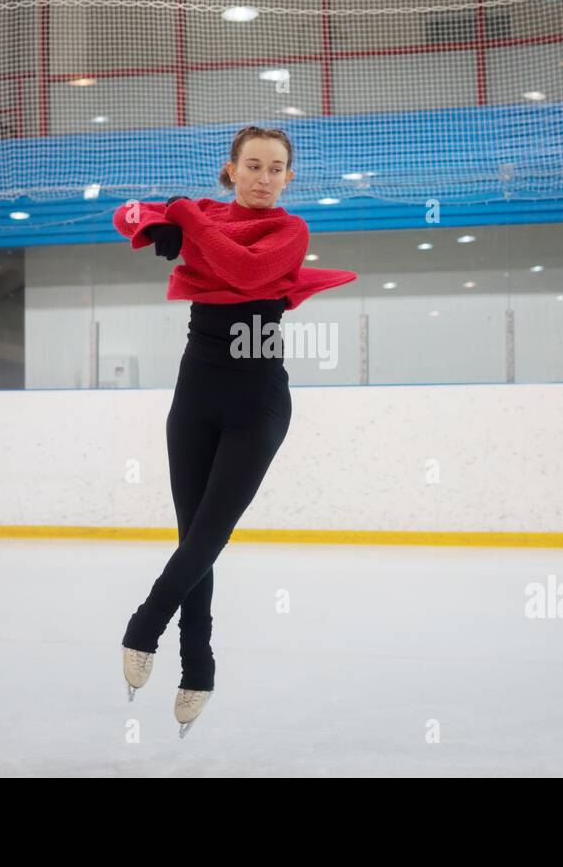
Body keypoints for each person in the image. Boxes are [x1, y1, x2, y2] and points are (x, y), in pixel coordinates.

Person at [111, 125, 357, 736]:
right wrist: (170, 218)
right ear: (232, 168)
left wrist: (186, 222)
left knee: (210, 535)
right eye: (253, 165)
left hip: (258, 398)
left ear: (289, 177)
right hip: (195, 392)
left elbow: (247, 275)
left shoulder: (289, 230)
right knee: (192, 533)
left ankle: (145, 626)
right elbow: (126, 215)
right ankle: (198, 665)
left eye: (277, 168)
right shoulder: (207, 214)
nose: (265, 177)